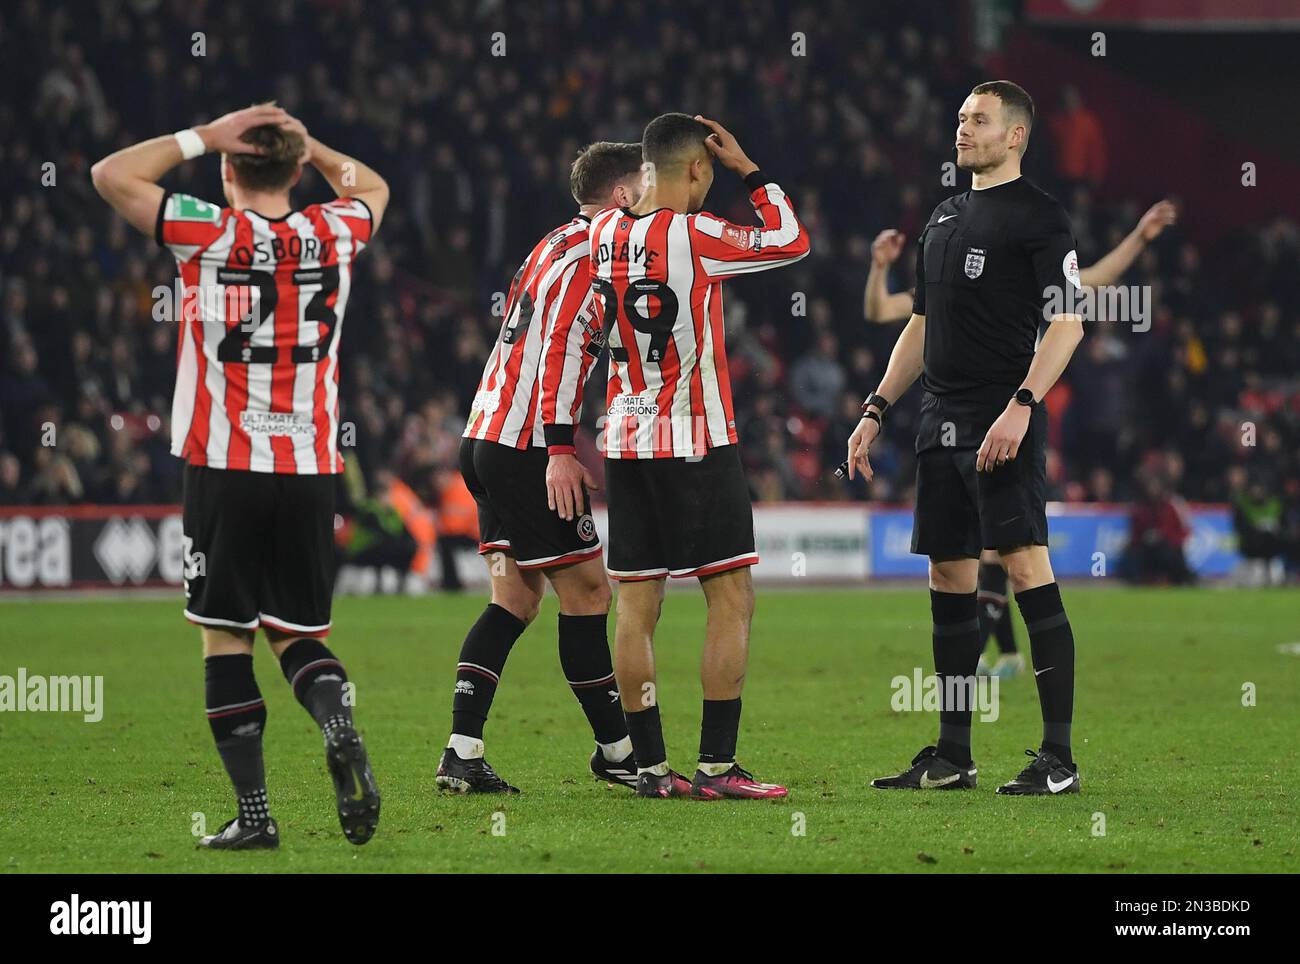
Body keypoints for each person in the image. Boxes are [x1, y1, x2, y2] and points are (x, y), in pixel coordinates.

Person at [91, 104, 389, 848]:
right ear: (295, 172)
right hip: (311, 467)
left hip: (225, 464)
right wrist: (310, 145)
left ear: (228, 169)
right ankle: (336, 718)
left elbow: (110, 175)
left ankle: (255, 818)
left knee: (226, 635)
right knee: (296, 633)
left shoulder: (210, 230)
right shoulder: (333, 230)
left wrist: (201, 136)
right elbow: (374, 187)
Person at [847, 81, 1085, 795]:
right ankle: (953, 755)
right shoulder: (944, 217)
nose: (962, 129)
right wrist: (876, 408)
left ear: (1014, 135)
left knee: (1023, 569)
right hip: (935, 422)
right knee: (948, 577)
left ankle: (1058, 759)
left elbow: (1068, 322)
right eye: (959, 119)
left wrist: (1021, 405)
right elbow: (921, 326)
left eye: (978, 120)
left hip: (1000, 418)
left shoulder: (1042, 218)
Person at [588, 113, 809, 799]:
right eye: (708, 179)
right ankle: (717, 766)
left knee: (635, 604)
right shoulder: (694, 233)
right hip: (694, 440)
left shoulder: (602, 233)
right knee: (731, 596)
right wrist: (753, 171)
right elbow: (791, 242)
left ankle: (651, 767)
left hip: (624, 441)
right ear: (694, 171)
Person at [863, 201, 1177, 679]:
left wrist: (1140, 234)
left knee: (1007, 555)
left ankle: (1004, 672)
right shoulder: (947, 287)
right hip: (955, 416)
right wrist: (878, 267)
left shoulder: (1030, 270)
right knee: (978, 559)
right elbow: (885, 311)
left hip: (1015, 411)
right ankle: (998, 662)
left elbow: (1094, 279)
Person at [438, 142, 646, 793]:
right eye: (646, 184)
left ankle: (461, 753)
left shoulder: (551, 243)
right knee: (587, 593)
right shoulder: (595, 254)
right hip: (529, 447)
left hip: (485, 435)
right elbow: (559, 344)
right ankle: (618, 754)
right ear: (622, 194)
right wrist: (561, 447)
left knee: (515, 599)